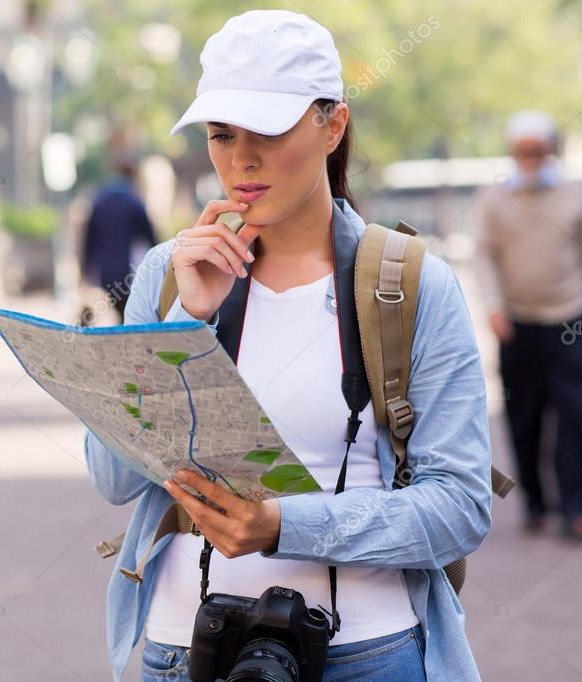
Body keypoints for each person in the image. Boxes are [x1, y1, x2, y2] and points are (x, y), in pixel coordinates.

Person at [83, 11, 491, 682]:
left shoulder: (409, 284)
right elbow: (115, 479)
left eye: (266, 133)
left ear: (332, 126)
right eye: (220, 135)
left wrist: (281, 526)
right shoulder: (166, 273)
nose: (239, 159)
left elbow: (458, 508)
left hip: (366, 653)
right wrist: (185, 322)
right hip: (183, 650)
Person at [473, 110, 582, 538]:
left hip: (568, 320)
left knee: (574, 413)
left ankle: (574, 507)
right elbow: (483, 255)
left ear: (551, 149)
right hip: (516, 325)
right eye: (523, 151)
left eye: (538, 150)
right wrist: (495, 307)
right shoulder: (495, 200)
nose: (531, 157)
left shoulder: (574, 194)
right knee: (524, 416)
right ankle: (536, 503)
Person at [82, 152, 157, 323]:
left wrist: (85, 271)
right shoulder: (135, 203)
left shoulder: (98, 202)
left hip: (104, 272)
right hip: (129, 272)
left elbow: (88, 241)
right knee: (128, 317)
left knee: (113, 316)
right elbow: (150, 240)